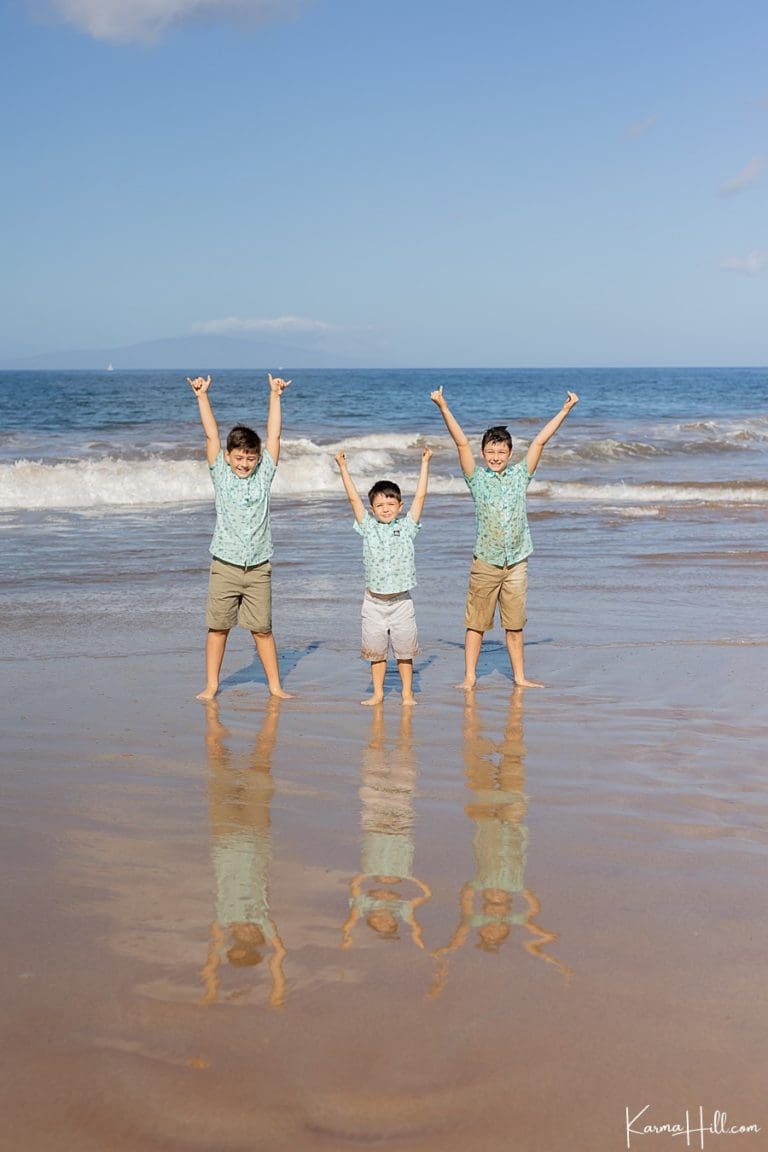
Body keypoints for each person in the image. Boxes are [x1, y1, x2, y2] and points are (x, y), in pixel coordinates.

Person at [430, 384, 579, 689]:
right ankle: (470, 678)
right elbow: (460, 444)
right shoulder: (477, 479)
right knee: (476, 624)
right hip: (485, 560)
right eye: (490, 451)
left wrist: (565, 410)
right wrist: (443, 406)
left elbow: (539, 442)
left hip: (517, 562)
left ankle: (520, 678)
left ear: (510, 453)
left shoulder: (520, 475)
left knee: (515, 624)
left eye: (501, 451)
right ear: (483, 453)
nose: (496, 456)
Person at [187, 373, 293, 701]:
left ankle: (275, 687)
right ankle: (212, 685)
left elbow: (274, 435)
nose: (244, 463)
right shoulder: (220, 473)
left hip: (259, 567)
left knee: (262, 629)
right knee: (218, 627)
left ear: (258, 458)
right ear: (228, 456)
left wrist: (275, 396)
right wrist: (202, 397)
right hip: (225, 565)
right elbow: (210, 434)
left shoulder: (264, 476)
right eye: (238, 457)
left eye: (250, 458)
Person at [335, 446, 432, 705]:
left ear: (400, 506)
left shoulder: (407, 527)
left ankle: (407, 693)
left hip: (401, 602)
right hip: (373, 603)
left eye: (391, 504)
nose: (386, 509)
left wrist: (425, 464)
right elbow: (354, 500)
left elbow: (421, 496)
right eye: (380, 505)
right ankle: (378, 694)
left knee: (404, 652)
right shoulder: (367, 528)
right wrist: (343, 468)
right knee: (376, 653)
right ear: (372, 508)